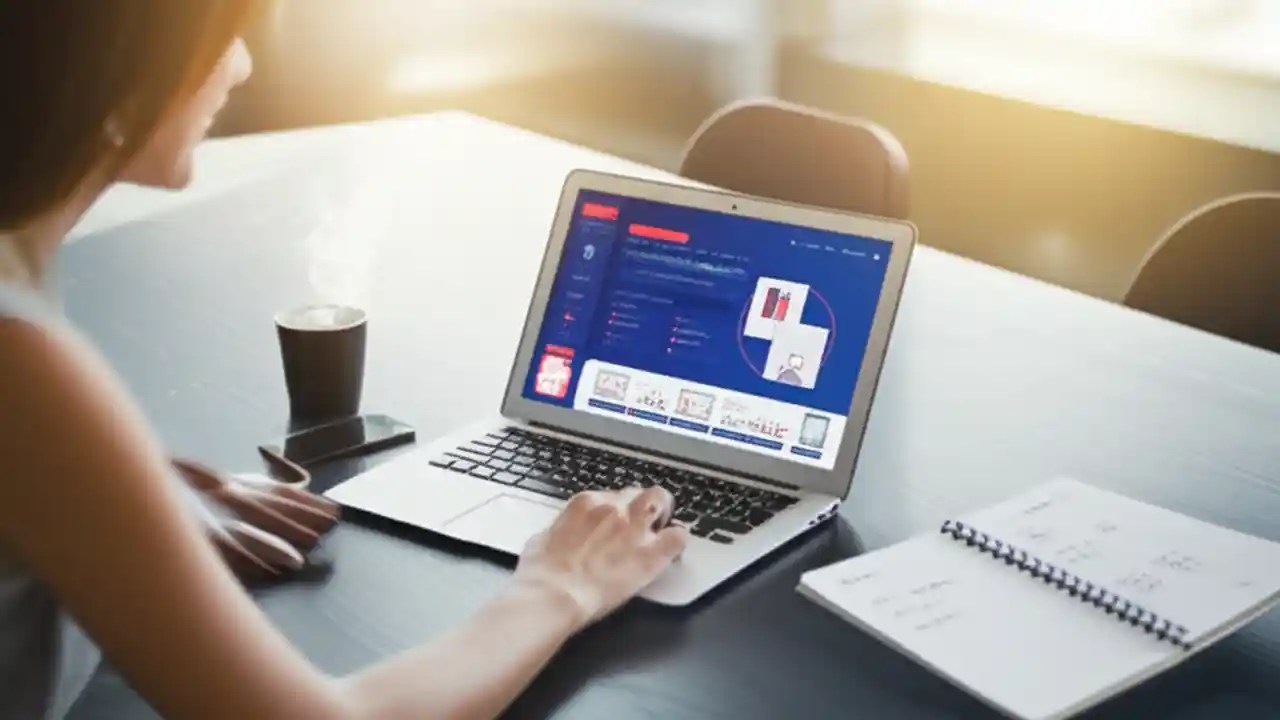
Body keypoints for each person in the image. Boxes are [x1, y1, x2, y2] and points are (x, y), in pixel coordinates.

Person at [0, 3, 687, 718]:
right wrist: (561, 583)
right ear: (114, 82)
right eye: (221, 42)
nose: (241, 67)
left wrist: (118, 496)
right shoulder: (23, 366)